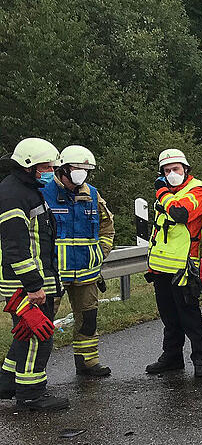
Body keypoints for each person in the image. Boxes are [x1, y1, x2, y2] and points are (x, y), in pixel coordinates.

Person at [0, 138, 69, 411]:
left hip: (31, 279)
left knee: (24, 331)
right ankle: (31, 393)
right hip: (26, 283)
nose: (50, 169)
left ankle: (7, 381)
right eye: (46, 165)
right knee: (37, 335)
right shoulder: (14, 194)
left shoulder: (24, 189)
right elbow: (16, 245)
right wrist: (33, 285)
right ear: (29, 165)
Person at [145, 148, 202, 379]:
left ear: (185, 169)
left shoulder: (197, 190)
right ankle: (172, 357)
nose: (171, 174)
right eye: (167, 170)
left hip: (184, 266)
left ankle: (200, 359)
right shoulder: (167, 193)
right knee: (169, 317)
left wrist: (162, 193)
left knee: (189, 316)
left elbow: (180, 214)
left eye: (175, 169)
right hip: (161, 266)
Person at [43, 145, 114, 377]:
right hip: (53, 273)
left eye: (86, 169)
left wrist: (100, 252)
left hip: (86, 272)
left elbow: (107, 227)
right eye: (77, 168)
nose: (81, 173)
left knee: (88, 318)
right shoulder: (44, 193)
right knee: (42, 323)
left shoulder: (92, 194)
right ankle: (31, 371)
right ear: (63, 168)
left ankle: (87, 362)